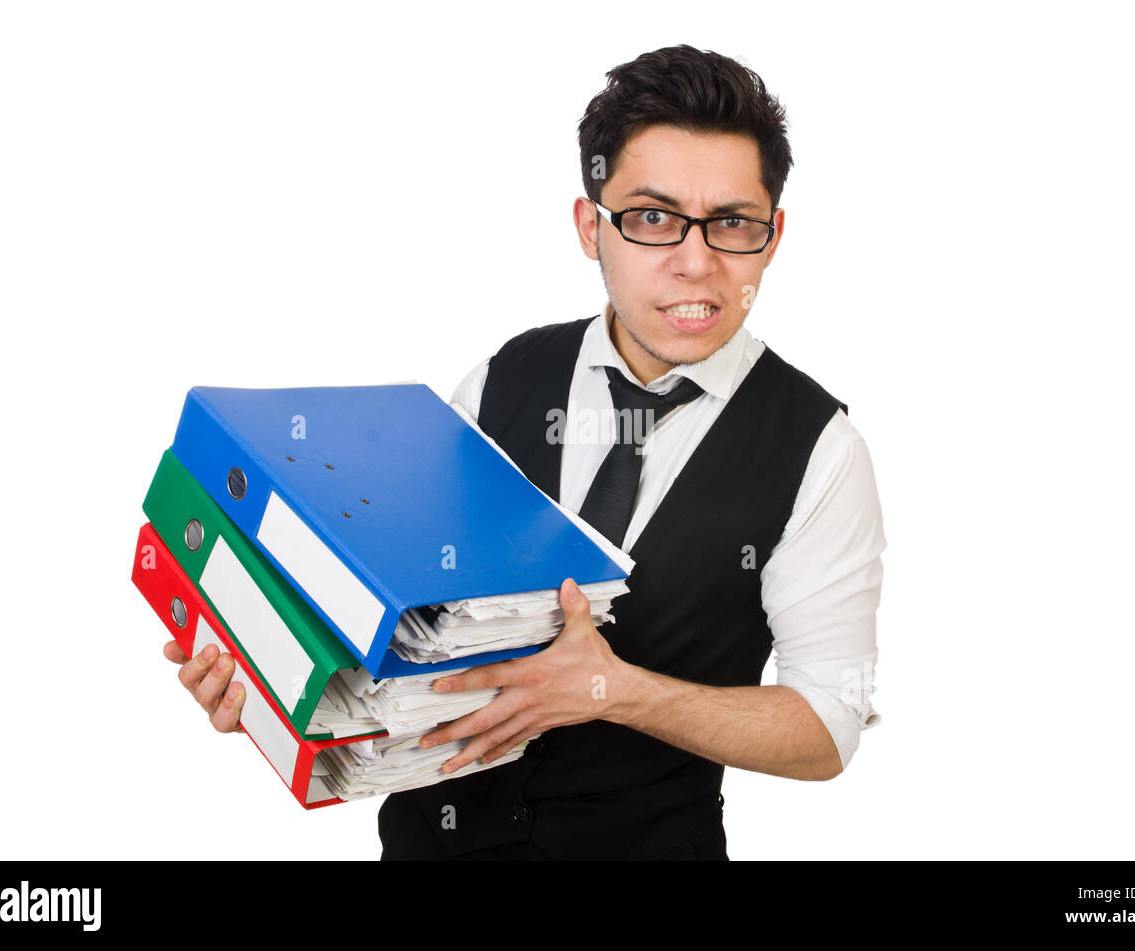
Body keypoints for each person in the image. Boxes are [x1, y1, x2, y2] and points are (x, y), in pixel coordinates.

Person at [164, 44, 886, 861]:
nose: (696, 259)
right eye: (652, 217)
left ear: (773, 235)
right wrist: (267, 678)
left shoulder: (819, 449)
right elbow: (396, 619)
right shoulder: (501, 381)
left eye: (732, 223)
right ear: (591, 227)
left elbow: (826, 724)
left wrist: (616, 690)